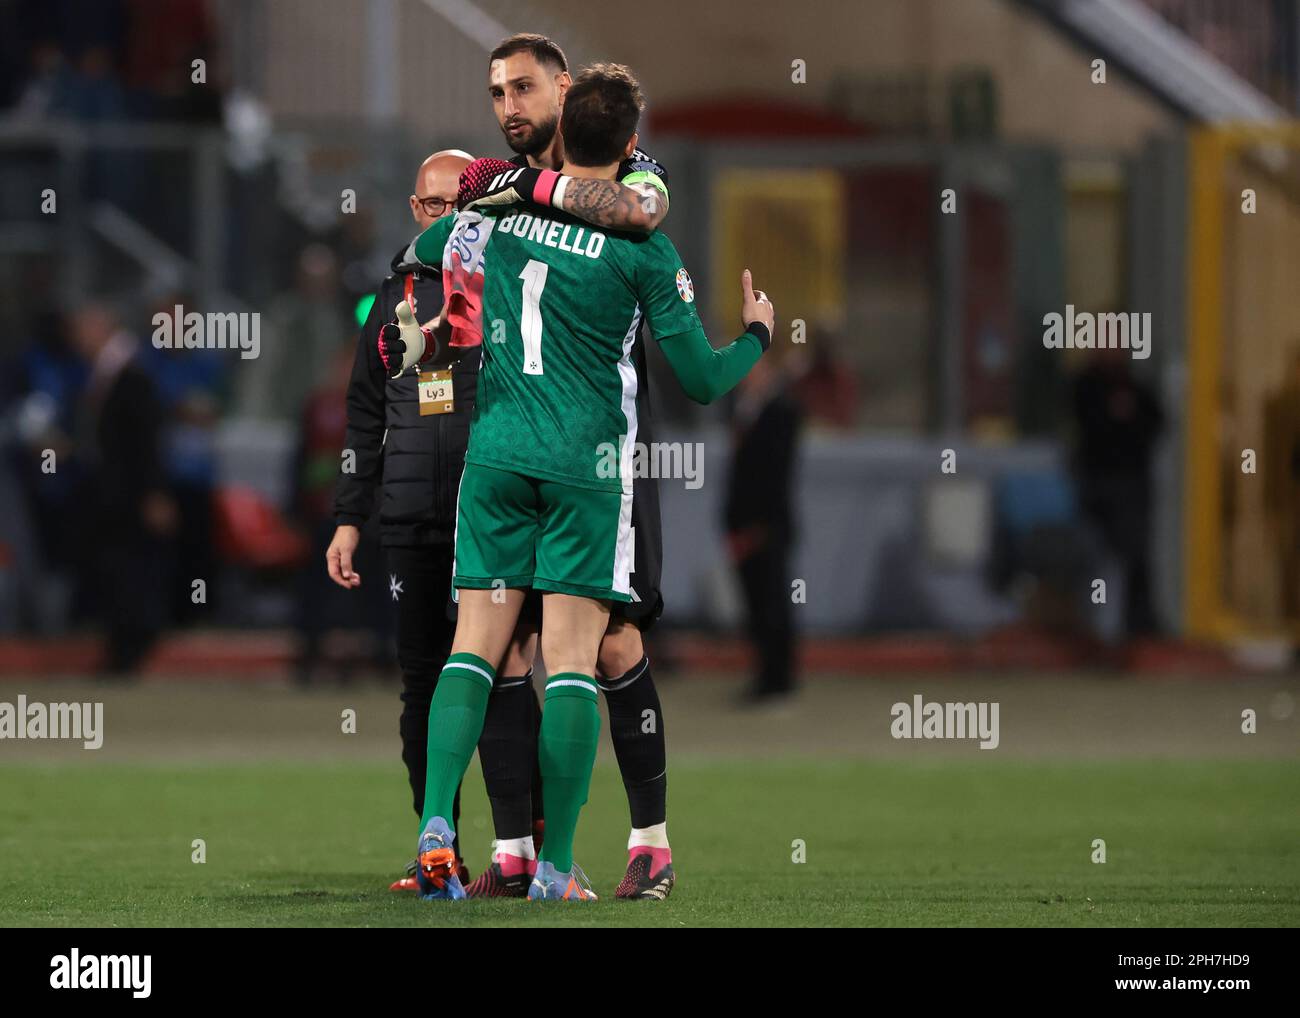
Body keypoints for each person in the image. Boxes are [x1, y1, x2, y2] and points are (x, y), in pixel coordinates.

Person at [390, 62, 774, 901]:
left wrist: (430, 314)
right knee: (572, 662)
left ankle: (436, 829)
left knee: (474, 652)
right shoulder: (645, 249)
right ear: (633, 147)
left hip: (493, 457)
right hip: (588, 472)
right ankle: (557, 867)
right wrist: (757, 336)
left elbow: (419, 253)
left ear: (564, 123)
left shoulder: (501, 215)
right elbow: (704, 380)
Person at [425, 33, 683, 901]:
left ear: (565, 93)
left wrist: (530, 191)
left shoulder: (632, 171)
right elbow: (450, 272)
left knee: (612, 642)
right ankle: (517, 851)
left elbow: (643, 208)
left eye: (525, 89)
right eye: (497, 92)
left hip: (602, 449)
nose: (509, 108)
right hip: (511, 443)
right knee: (506, 653)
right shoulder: (491, 186)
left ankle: (648, 841)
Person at [327, 149, 496, 889]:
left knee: (512, 680)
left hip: (497, 516)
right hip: (415, 518)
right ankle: (440, 847)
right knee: (423, 688)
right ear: (414, 207)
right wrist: (348, 517)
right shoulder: (387, 295)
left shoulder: (510, 286)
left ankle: (524, 850)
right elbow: (363, 416)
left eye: (454, 204)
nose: (442, 217)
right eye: (430, 205)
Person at [69, 300, 177, 675]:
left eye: (84, 328)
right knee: (116, 570)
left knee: (131, 570)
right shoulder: (104, 373)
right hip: (112, 496)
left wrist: (155, 492)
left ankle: (133, 645)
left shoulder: (132, 375)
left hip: (130, 496)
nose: (77, 338)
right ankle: (120, 646)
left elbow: (148, 440)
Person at [725, 353, 804, 704]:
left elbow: (773, 476)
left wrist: (759, 525)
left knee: (773, 602)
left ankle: (779, 677)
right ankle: (766, 674)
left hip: (767, 526)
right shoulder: (745, 408)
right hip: (746, 526)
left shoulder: (782, 411)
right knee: (756, 604)